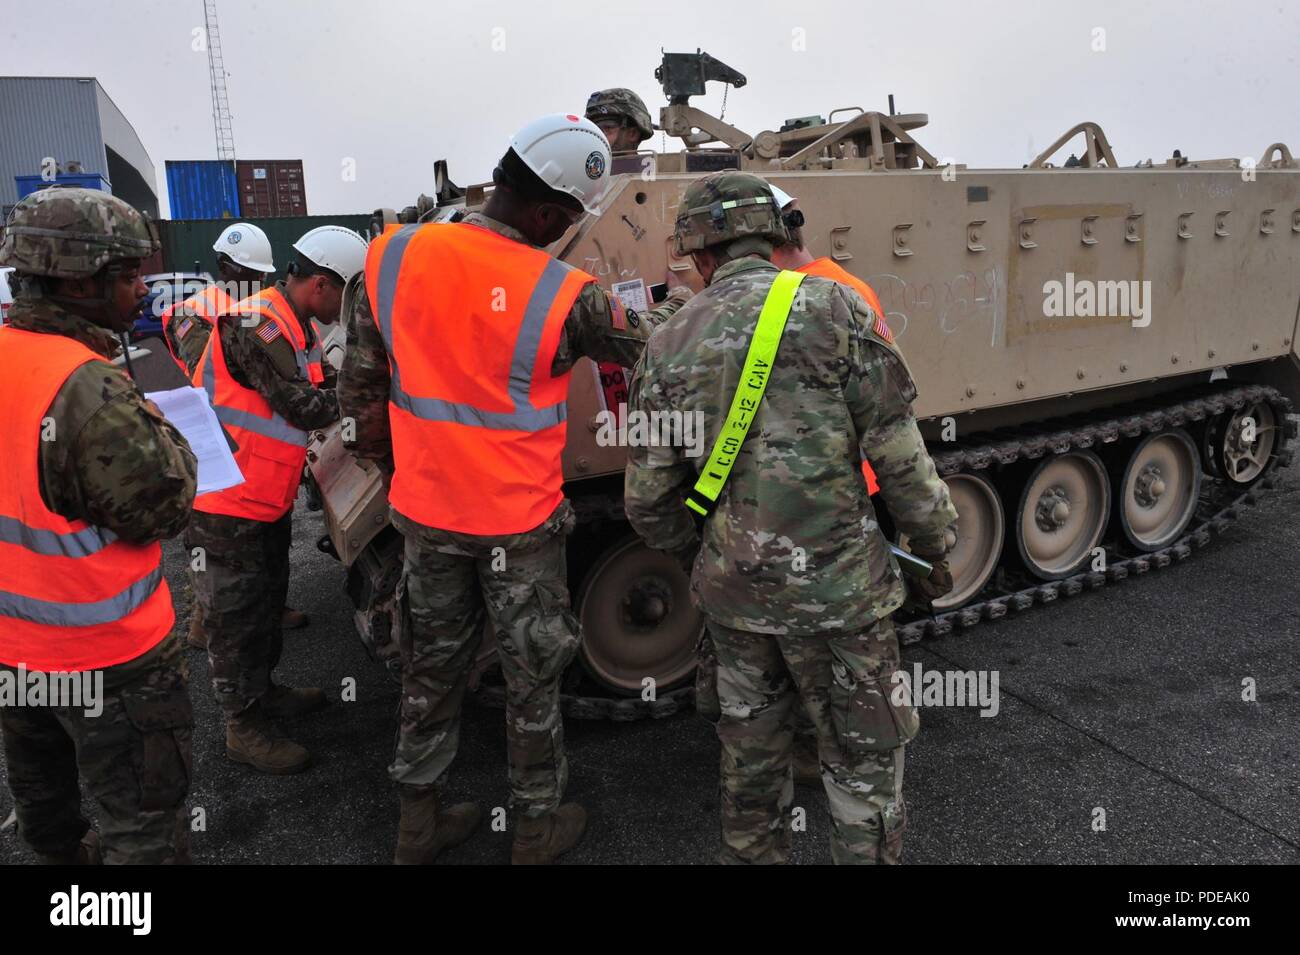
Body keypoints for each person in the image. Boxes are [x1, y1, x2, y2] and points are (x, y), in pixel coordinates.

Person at [340, 113, 689, 865]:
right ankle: (534, 828)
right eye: (566, 219)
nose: (565, 231)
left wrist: (396, 472)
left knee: (429, 670)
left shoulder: (390, 256)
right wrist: (687, 298)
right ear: (544, 213)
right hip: (518, 528)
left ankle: (417, 824)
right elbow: (656, 346)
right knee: (534, 674)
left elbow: (362, 392)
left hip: (426, 517)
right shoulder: (564, 292)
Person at [624, 171, 957, 864]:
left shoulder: (668, 340)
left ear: (700, 253)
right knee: (863, 770)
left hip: (736, 602)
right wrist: (934, 546)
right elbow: (900, 458)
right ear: (774, 238)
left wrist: (708, 550)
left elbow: (649, 499)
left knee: (750, 772)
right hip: (844, 596)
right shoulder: (836, 308)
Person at [0, 187, 198, 864]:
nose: (141, 290)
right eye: (130, 274)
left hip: (16, 653)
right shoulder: (86, 386)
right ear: (80, 280)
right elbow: (163, 507)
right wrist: (168, 431)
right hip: (107, 661)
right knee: (142, 827)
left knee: (50, 814)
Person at [187, 225, 365, 774]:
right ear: (319, 283)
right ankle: (242, 727)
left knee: (265, 604)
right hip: (229, 499)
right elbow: (302, 405)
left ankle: (264, 695)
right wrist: (371, 392)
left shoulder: (292, 323)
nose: (349, 306)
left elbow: (316, 380)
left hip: (260, 494)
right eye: (347, 293)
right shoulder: (255, 324)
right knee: (235, 617)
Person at [162, 222, 276, 376]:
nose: (260, 279)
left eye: (263, 273)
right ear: (223, 267)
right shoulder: (192, 313)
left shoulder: (267, 305)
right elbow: (207, 375)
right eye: (251, 271)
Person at [585, 88, 654, 154]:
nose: (600, 137)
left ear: (633, 134)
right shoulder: (581, 165)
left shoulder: (655, 165)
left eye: (608, 128)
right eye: (595, 131)